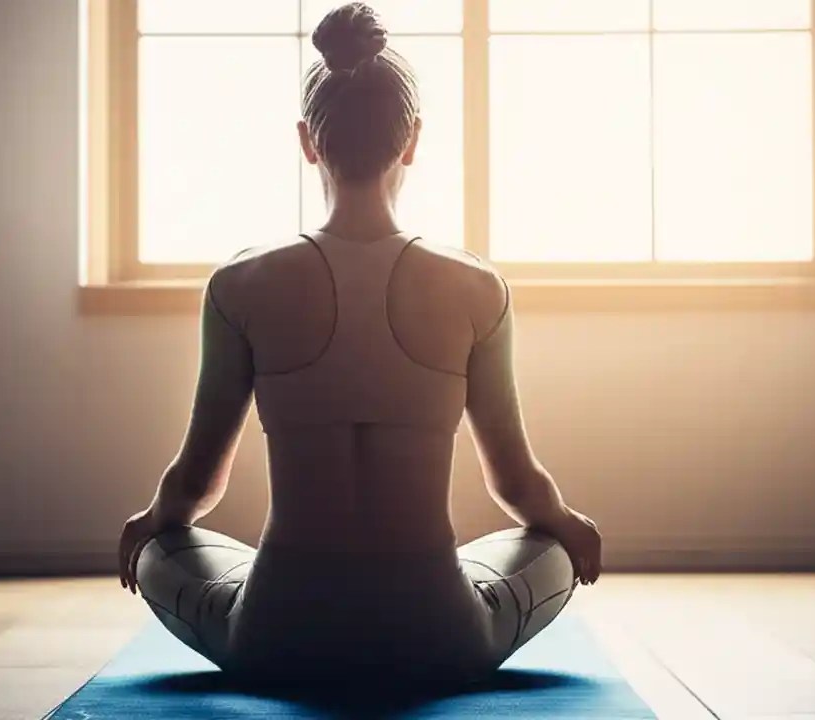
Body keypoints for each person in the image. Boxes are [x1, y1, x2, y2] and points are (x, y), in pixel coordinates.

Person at [117, 2, 602, 684]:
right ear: (412, 140)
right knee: (547, 540)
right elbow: (518, 486)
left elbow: (193, 487)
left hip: (275, 636)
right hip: (440, 636)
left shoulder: (240, 283)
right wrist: (569, 522)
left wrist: (148, 522)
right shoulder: (475, 286)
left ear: (307, 141)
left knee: (158, 548)